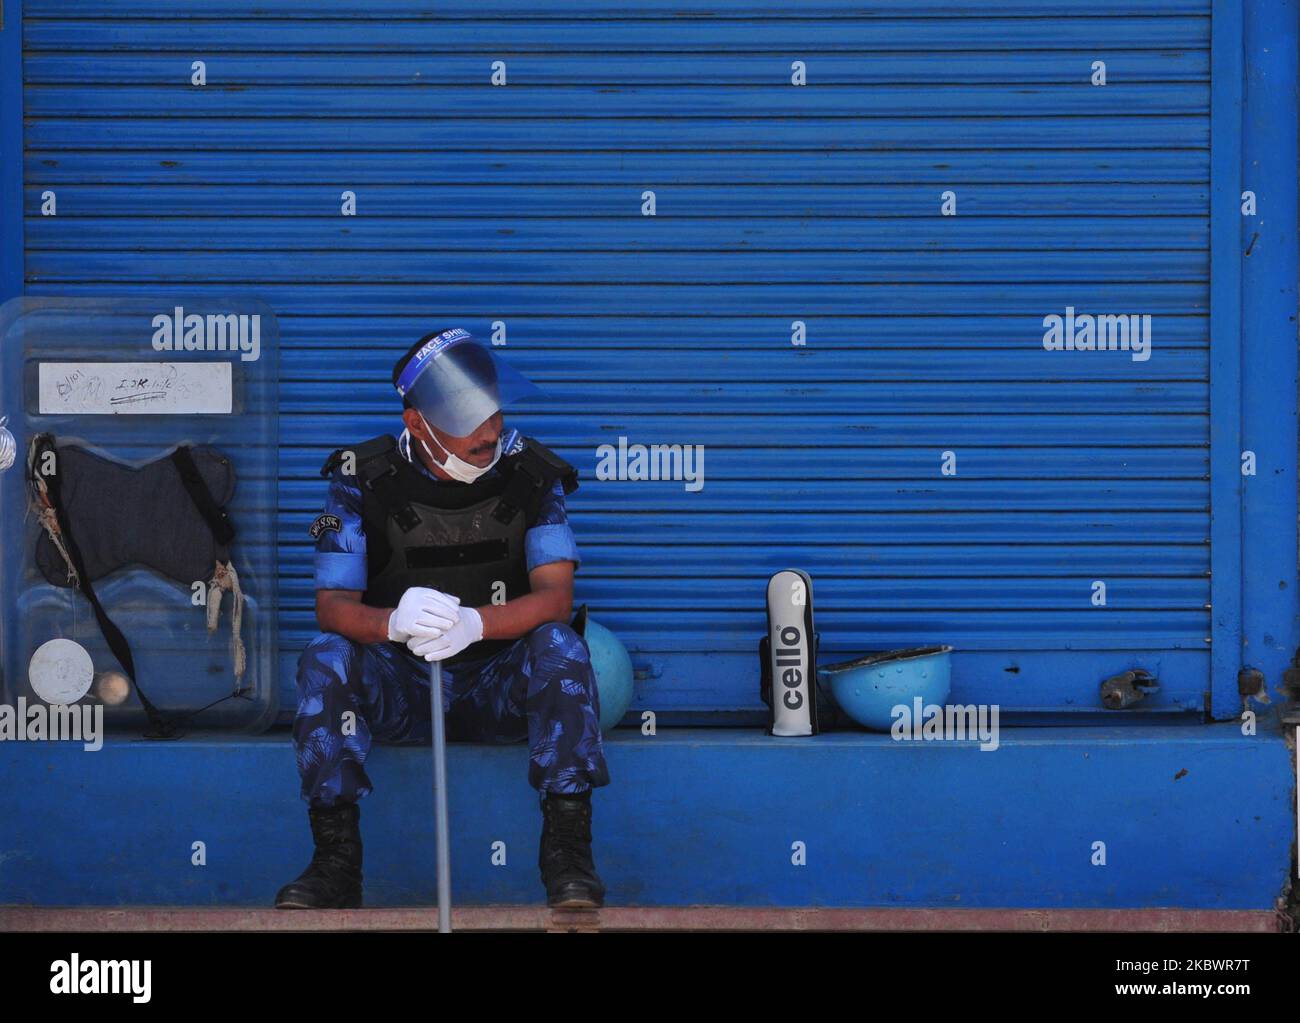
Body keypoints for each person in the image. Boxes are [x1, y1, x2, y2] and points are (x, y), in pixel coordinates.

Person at [276, 326, 610, 910]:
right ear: (416, 425)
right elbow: (331, 609)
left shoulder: (532, 475)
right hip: (400, 686)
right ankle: (335, 866)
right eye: (466, 419)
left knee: (561, 644)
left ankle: (568, 858)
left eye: (493, 413)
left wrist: (476, 624)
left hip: (496, 684)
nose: (488, 433)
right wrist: (390, 625)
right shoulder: (360, 480)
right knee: (324, 657)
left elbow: (555, 597)